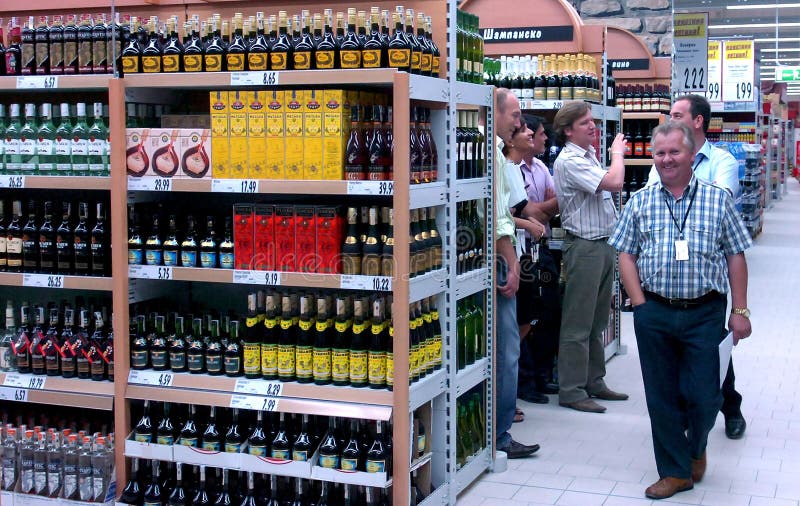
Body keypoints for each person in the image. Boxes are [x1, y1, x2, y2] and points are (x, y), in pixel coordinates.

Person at [608, 121, 752, 500]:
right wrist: (638, 304)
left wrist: (741, 310)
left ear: (692, 155)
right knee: (661, 394)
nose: (666, 159)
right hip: (654, 309)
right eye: (660, 153)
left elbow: (735, 255)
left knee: (706, 394)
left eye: (674, 152)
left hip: (705, 311)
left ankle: (697, 444)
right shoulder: (640, 200)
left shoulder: (717, 199)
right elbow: (625, 252)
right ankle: (675, 472)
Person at [646, 94, 747, 439]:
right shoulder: (660, 161)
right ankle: (686, 428)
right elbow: (650, 202)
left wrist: (741, 308)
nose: (669, 119)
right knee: (687, 359)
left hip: (706, 277)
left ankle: (729, 407)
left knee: (711, 357)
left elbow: (720, 206)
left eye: (676, 114)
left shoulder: (722, 161)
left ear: (697, 121)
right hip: (665, 279)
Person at [552, 101, 629, 414]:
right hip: (584, 248)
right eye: (585, 122)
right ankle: (571, 390)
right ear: (568, 130)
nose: (593, 126)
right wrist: (618, 155)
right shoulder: (570, 160)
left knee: (598, 319)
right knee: (577, 323)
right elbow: (614, 182)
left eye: (592, 120)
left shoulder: (587, 156)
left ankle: (594, 381)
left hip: (601, 244)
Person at [493, 88, 539, 458]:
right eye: (514, 114)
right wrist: (511, 264)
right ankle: (500, 433)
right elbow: (500, 219)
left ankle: (495, 429)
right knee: (507, 350)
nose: (519, 122)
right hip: (495, 259)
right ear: (495, 112)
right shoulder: (492, 154)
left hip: (483, 257)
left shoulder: (491, 152)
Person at [506, 115, 560, 403]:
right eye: (528, 130)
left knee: (540, 313)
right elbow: (528, 213)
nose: (538, 136)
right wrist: (532, 217)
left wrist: (537, 213)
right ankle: (520, 384)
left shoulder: (537, 167)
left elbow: (540, 211)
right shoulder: (506, 167)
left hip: (535, 250)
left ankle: (535, 377)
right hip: (516, 253)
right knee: (521, 318)